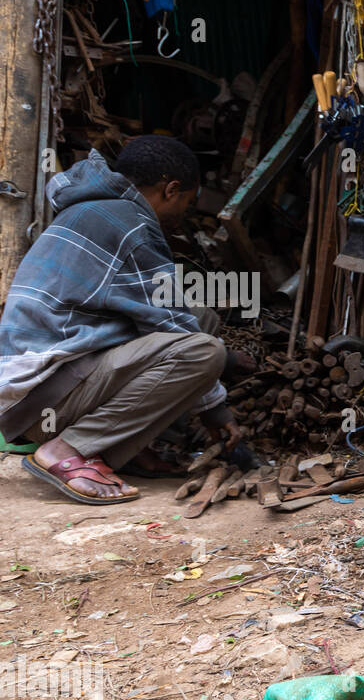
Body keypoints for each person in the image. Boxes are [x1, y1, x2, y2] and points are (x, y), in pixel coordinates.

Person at [0, 136, 241, 505]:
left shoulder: (95, 209)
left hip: (42, 383)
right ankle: (66, 451)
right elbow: (172, 327)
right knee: (205, 352)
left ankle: (124, 448)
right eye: (186, 202)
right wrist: (215, 409)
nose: (184, 214)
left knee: (201, 318)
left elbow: (172, 315)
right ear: (171, 189)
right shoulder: (131, 224)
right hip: (42, 392)